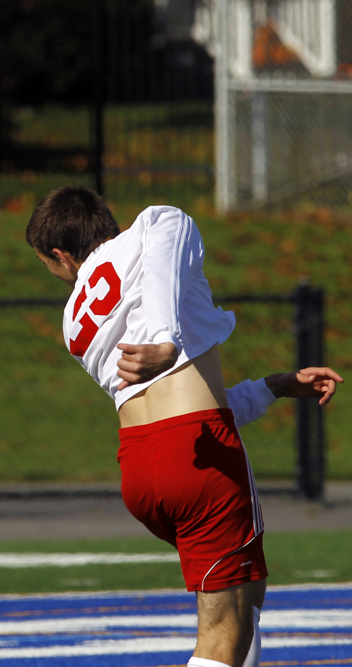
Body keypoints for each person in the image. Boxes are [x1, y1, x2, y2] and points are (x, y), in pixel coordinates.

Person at [25, 185, 343, 667]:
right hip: (196, 456)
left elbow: (183, 400)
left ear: (62, 256)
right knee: (223, 632)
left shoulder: (74, 320)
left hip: (142, 466)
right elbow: (165, 249)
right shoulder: (156, 224)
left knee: (245, 599)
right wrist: (165, 340)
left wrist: (271, 387)